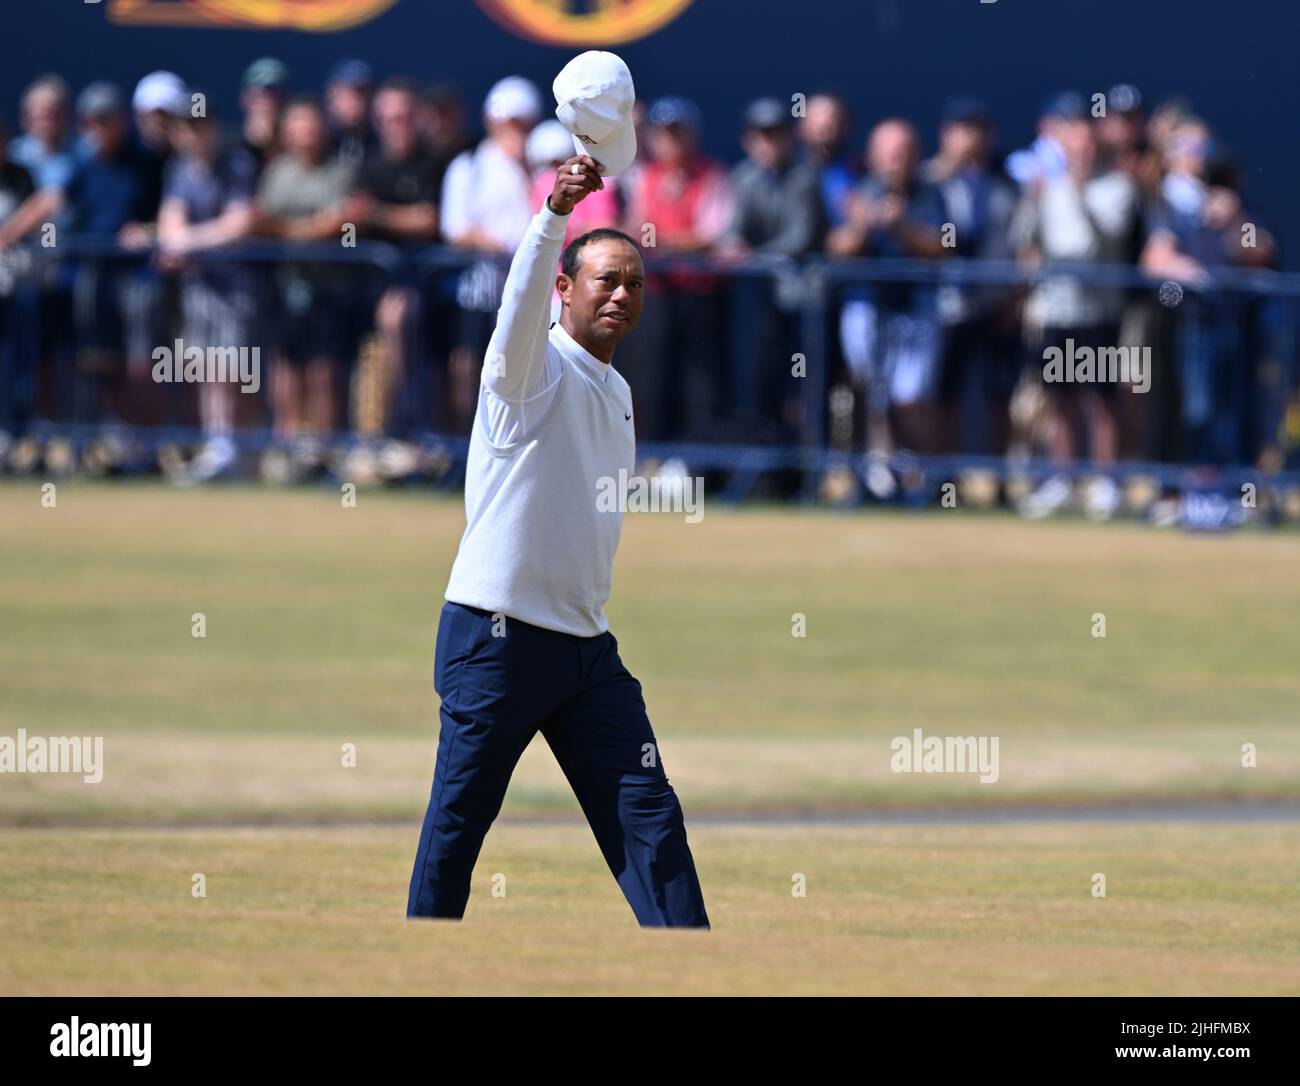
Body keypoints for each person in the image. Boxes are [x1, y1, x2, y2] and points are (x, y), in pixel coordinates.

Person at [406, 151, 710, 929]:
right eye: (605, 279)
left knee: (652, 819)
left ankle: (698, 970)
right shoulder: (529, 371)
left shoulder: (617, 390)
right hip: (496, 639)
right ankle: (417, 968)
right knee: (457, 829)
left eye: (635, 283)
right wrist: (552, 216)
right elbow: (516, 307)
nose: (622, 294)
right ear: (564, 290)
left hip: (584, 649)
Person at [1012, 115, 1140, 518]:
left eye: (1088, 143)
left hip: (1099, 311)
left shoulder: (1118, 187)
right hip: (1058, 309)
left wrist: (1082, 194)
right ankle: (1063, 480)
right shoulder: (1047, 190)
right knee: (1059, 397)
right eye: (1074, 143)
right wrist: (1034, 200)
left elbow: (1106, 239)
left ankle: (1105, 483)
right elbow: (1028, 243)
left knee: (1100, 399)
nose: (1082, 151)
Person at [829, 118, 947, 460]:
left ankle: (924, 477)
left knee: (911, 399)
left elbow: (943, 246)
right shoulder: (860, 192)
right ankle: (877, 471)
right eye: (890, 152)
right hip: (868, 306)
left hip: (916, 311)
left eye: (904, 152)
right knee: (871, 395)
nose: (897, 159)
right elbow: (837, 247)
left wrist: (902, 226)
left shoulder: (930, 193)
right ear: (874, 155)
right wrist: (863, 225)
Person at [157, 104, 258, 483]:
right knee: (204, 362)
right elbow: (171, 223)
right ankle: (218, 445)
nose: (193, 135)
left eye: (199, 127)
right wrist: (186, 241)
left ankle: (239, 448)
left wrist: (188, 243)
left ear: (213, 128)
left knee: (235, 365)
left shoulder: (237, 165)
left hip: (236, 287)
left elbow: (239, 223)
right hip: (198, 286)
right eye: (186, 128)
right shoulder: (178, 169)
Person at [621, 95, 732, 439]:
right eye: (663, 133)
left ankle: (696, 461)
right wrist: (667, 239)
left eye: (677, 133)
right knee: (653, 377)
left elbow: (711, 234)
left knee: (700, 381)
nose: (669, 141)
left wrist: (662, 239)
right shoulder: (645, 178)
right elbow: (637, 229)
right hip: (657, 294)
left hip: (700, 296)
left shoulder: (711, 176)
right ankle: (655, 453)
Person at [254, 96, 357, 463]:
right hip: (285, 283)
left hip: (329, 285)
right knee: (286, 363)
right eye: (299, 124)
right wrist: (309, 229)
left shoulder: (341, 170)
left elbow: (341, 221)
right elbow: (261, 219)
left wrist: (293, 231)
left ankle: (322, 451)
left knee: (323, 368)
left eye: (312, 124)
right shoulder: (276, 171)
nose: (307, 132)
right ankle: (287, 447)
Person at [439, 76, 540, 431]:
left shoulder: (544, 165)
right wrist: (493, 246)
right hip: (479, 291)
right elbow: (455, 230)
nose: (514, 131)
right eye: (508, 122)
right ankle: (464, 443)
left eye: (521, 123)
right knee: (468, 366)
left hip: (528, 294)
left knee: (519, 371)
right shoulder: (468, 166)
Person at [348, 78, 445, 435]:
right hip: (366, 287)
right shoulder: (368, 165)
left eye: (403, 116)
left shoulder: (433, 164)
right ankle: (372, 436)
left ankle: (409, 429)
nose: (396, 125)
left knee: (397, 321)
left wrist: (376, 213)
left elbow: (429, 219)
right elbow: (352, 216)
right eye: (388, 117)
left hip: (425, 286)